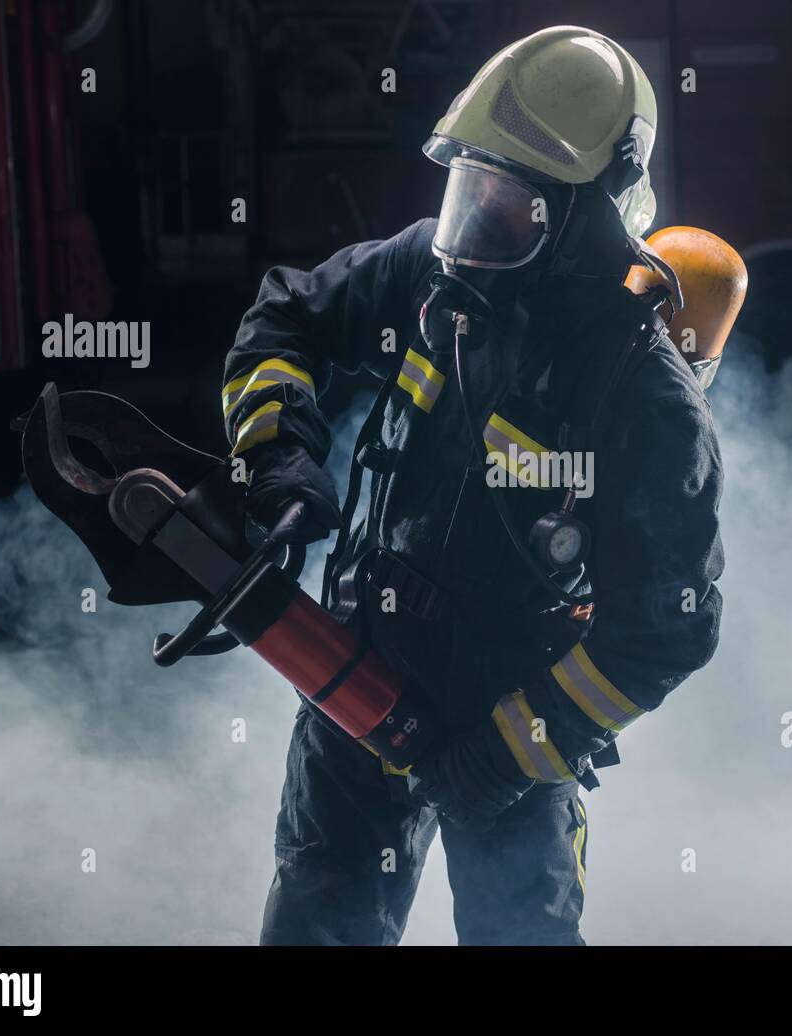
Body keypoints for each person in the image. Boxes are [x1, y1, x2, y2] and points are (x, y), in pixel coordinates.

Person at [222, 25, 724, 946]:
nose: (467, 236)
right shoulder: (430, 271)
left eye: (507, 206)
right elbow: (284, 318)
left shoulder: (644, 397)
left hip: (508, 728)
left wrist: (512, 752)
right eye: (467, 192)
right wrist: (280, 460)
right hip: (356, 675)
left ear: (587, 216)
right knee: (319, 916)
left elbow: (669, 625)